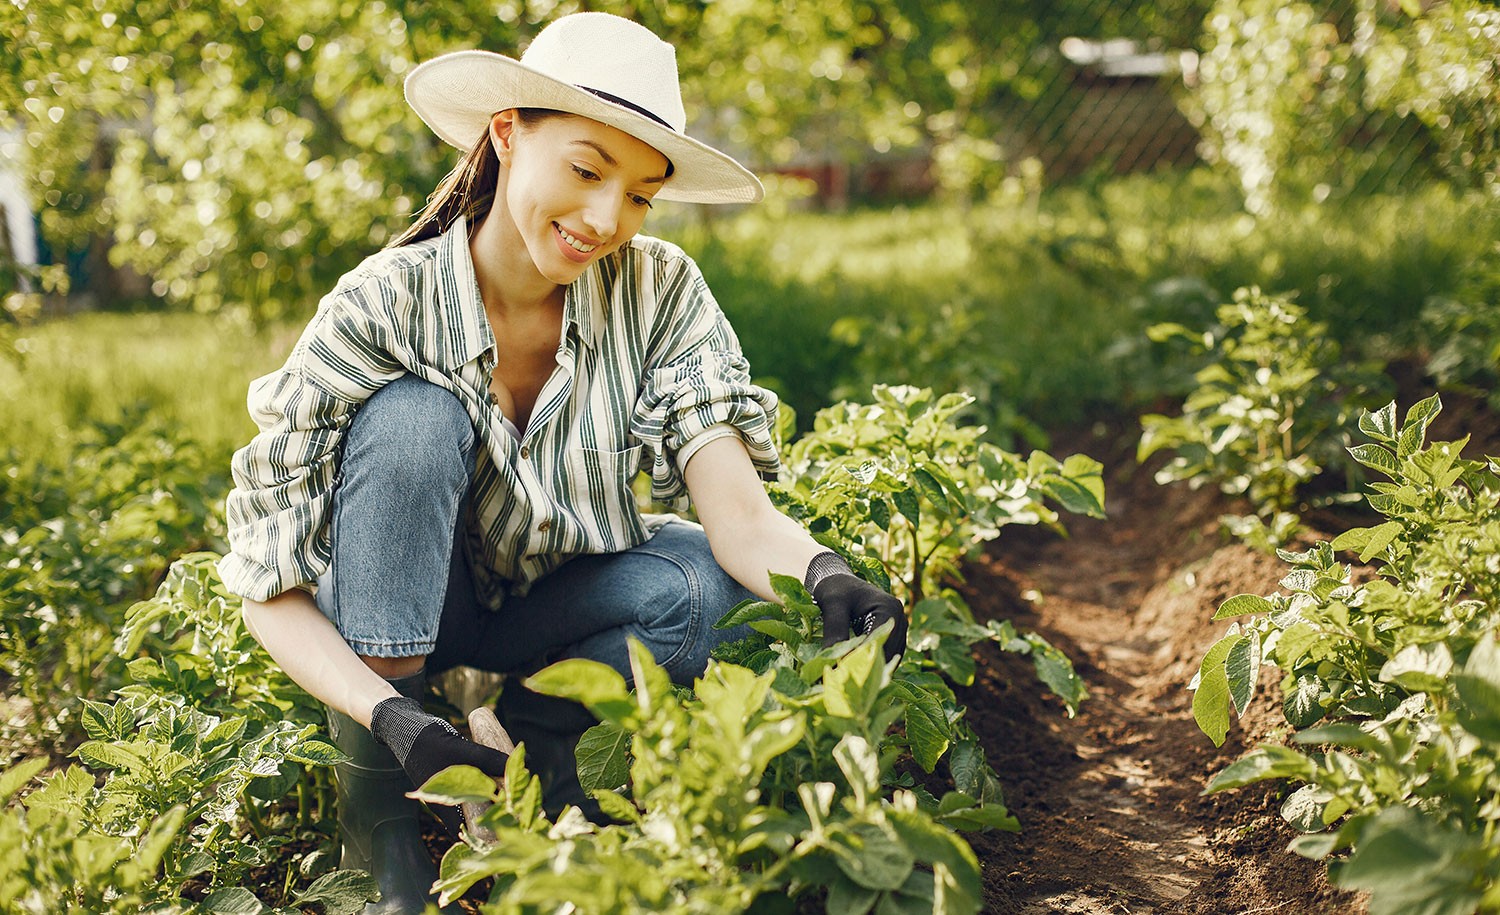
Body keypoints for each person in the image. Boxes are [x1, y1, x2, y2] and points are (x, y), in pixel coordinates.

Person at [218, 12, 907, 914]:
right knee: (416, 420)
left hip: (549, 600)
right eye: (586, 170)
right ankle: (385, 822)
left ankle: (539, 756)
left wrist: (826, 573)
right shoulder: (384, 305)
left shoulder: (658, 291)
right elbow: (265, 580)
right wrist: (388, 715)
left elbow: (735, 516)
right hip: (408, 618)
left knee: (703, 590)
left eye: (639, 194)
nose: (605, 220)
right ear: (506, 134)